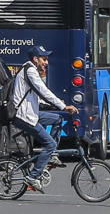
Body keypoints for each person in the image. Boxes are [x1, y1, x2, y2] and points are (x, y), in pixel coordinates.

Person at [11, 45, 78, 192]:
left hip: (31, 112)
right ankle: (33, 176)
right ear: (35, 59)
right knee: (50, 144)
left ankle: (52, 155)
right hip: (24, 116)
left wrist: (56, 104)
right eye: (44, 59)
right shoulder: (30, 71)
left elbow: (34, 97)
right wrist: (61, 106)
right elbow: (43, 91)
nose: (46, 63)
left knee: (57, 120)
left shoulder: (29, 70)